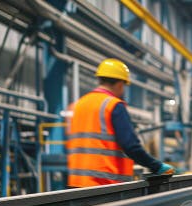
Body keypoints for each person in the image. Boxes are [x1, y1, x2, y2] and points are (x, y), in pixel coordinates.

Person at [67, 59, 174, 187]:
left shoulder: (78, 104)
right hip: (104, 186)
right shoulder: (113, 105)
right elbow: (131, 146)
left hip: (76, 184)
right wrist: (156, 166)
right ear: (119, 84)